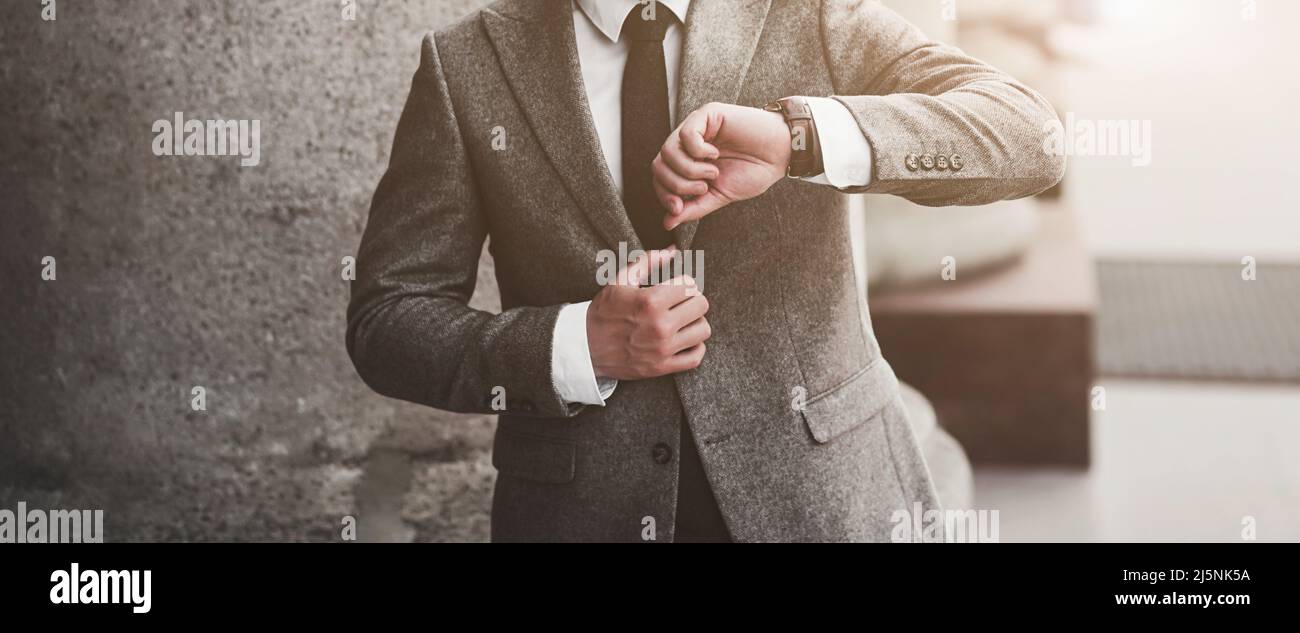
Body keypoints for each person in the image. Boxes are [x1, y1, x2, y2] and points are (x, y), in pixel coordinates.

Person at [347, 0, 1064, 542]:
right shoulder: (466, 62)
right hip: (579, 513)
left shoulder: (806, 12)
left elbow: (1028, 136)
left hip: (828, 503)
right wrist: (578, 346)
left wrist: (800, 139)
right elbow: (387, 318)